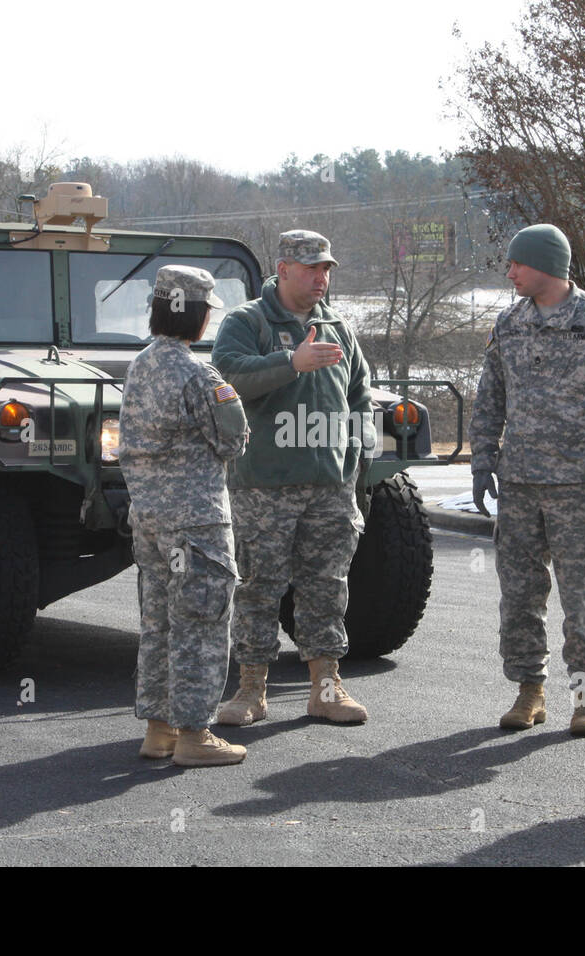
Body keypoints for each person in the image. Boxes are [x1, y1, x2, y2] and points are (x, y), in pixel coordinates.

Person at [470, 224, 585, 736]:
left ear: (545, 265)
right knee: (520, 597)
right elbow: (490, 399)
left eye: (516, 264)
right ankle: (529, 691)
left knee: (583, 601)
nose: (509, 273)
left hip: (581, 490)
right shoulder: (509, 323)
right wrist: (483, 462)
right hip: (520, 486)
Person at [210, 229, 374, 726]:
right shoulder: (247, 321)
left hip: (329, 486)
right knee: (259, 585)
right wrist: (290, 363)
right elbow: (227, 379)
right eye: (311, 268)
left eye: (326, 269)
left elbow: (361, 395)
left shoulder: (338, 327)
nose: (321, 278)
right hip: (264, 484)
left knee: (326, 585)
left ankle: (326, 687)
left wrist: (355, 453)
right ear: (283, 270)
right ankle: (251, 690)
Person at [119, 265, 250, 767]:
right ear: (197, 316)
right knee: (202, 623)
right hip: (197, 522)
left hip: (149, 518)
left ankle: (159, 729)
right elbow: (232, 441)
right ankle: (195, 735)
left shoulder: (140, 365)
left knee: (159, 622)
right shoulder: (198, 373)